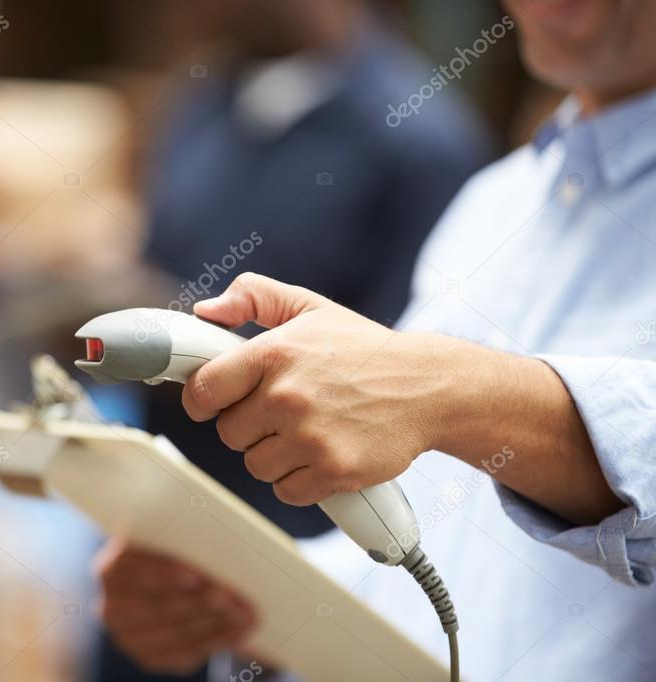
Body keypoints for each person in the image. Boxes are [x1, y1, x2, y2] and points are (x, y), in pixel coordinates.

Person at [95, 0, 656, 680]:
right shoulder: (495, 206)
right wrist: (238, 602)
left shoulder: (423, 145)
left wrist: (451, 392)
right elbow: (431, 556)